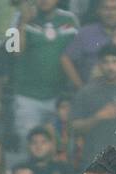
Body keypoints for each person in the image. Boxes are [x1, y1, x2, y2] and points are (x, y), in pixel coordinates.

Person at [9, 0, 79, 144]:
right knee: (28, 144)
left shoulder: (69, 19)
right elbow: (14, 51)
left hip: (59, 96)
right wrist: (23, 21)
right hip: (28, 97)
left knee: (59, 144)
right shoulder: (17, 18)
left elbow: (78, 54)